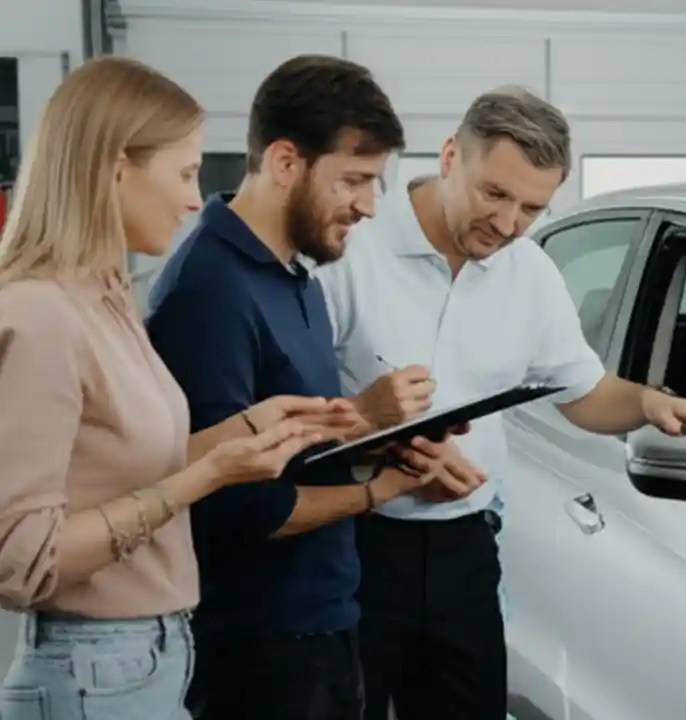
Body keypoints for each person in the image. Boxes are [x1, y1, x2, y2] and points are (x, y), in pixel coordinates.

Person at [315, 85, 686, 720]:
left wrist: (646, 402)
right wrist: (385, 440)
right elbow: (287, 412)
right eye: (494, 194)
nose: (506, 225)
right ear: (451, 156)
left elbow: (582, 394)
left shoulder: (529, 273)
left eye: (531, 208)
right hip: (350, 543)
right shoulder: (349, 253)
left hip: (465, 553)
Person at [0, 56, 346, 720]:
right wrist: (206, 476)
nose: (196, 198)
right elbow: (23, 560)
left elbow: (121, 467)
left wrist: (254, 426)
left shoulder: (107, 299)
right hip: (92, 670)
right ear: (116, 166)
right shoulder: (41, 315)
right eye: (185, 173)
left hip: (148, 658)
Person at [145, 54, 486, 720]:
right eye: (353, 180)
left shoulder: (297, 278)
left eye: (376, 181)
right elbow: (230, 507)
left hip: (322, 624)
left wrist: (391, 445)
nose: (368, 204)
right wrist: (377, 490)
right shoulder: (210, 290)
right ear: (284, 163)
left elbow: (295, 453)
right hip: (257, 647)